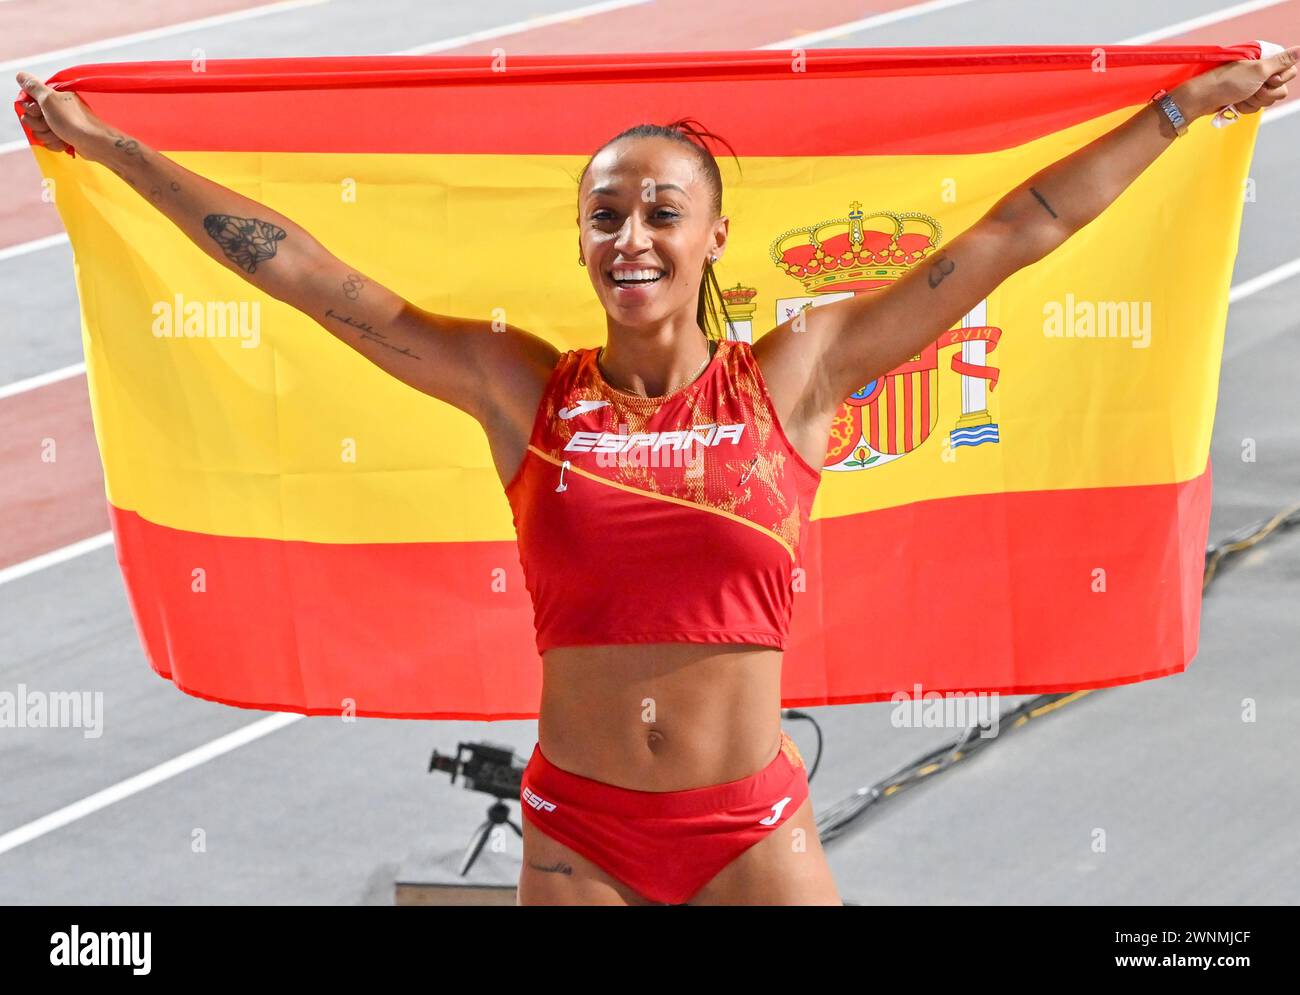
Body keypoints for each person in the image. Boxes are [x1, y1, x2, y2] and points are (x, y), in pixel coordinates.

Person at [15, 45, 1295, 906]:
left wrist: (1182, 110)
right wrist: (114, 151)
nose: (631, 236)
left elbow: (1023, 230)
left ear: (711, 237)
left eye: (659, 212)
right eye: (606, 213)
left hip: (747, 831)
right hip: (575, 832)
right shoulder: (521, 386)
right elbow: (307, 280)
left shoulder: (798, 372)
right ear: (579, 236)